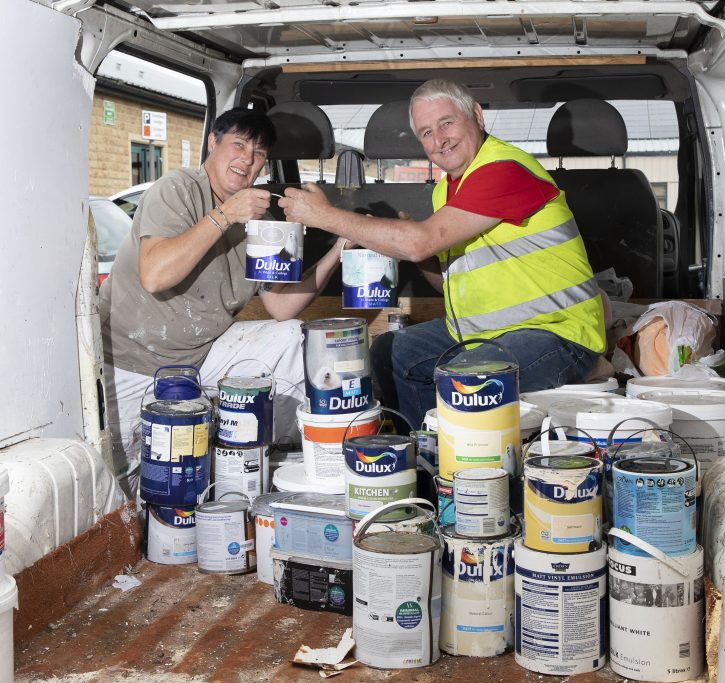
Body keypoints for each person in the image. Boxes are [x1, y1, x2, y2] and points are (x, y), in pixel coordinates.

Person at [279, 79, 606, 430]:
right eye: (426, 132)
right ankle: (423, 454)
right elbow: (443, 283)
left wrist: (323, 216)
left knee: (466, 377)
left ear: (477, 116)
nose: (439, 139)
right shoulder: (445, 192)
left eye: (447, 123)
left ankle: (465, 472)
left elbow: (421, 241)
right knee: (392, 353)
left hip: (557, 334)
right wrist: (405, 245)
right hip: (484, 333)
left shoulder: (505, 169)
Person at [100, 107, 346, 484]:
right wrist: (225, 215)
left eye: (259, 152)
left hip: (201, 357)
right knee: (131, 480)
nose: (247, 160)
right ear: (213, 143)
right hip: (131, 363)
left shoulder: (259, 220)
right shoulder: (178, 188)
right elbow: (154, 276)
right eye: (239, 144)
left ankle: (283, 467)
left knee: (292, 337)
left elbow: (281, 306)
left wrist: (339, 248)